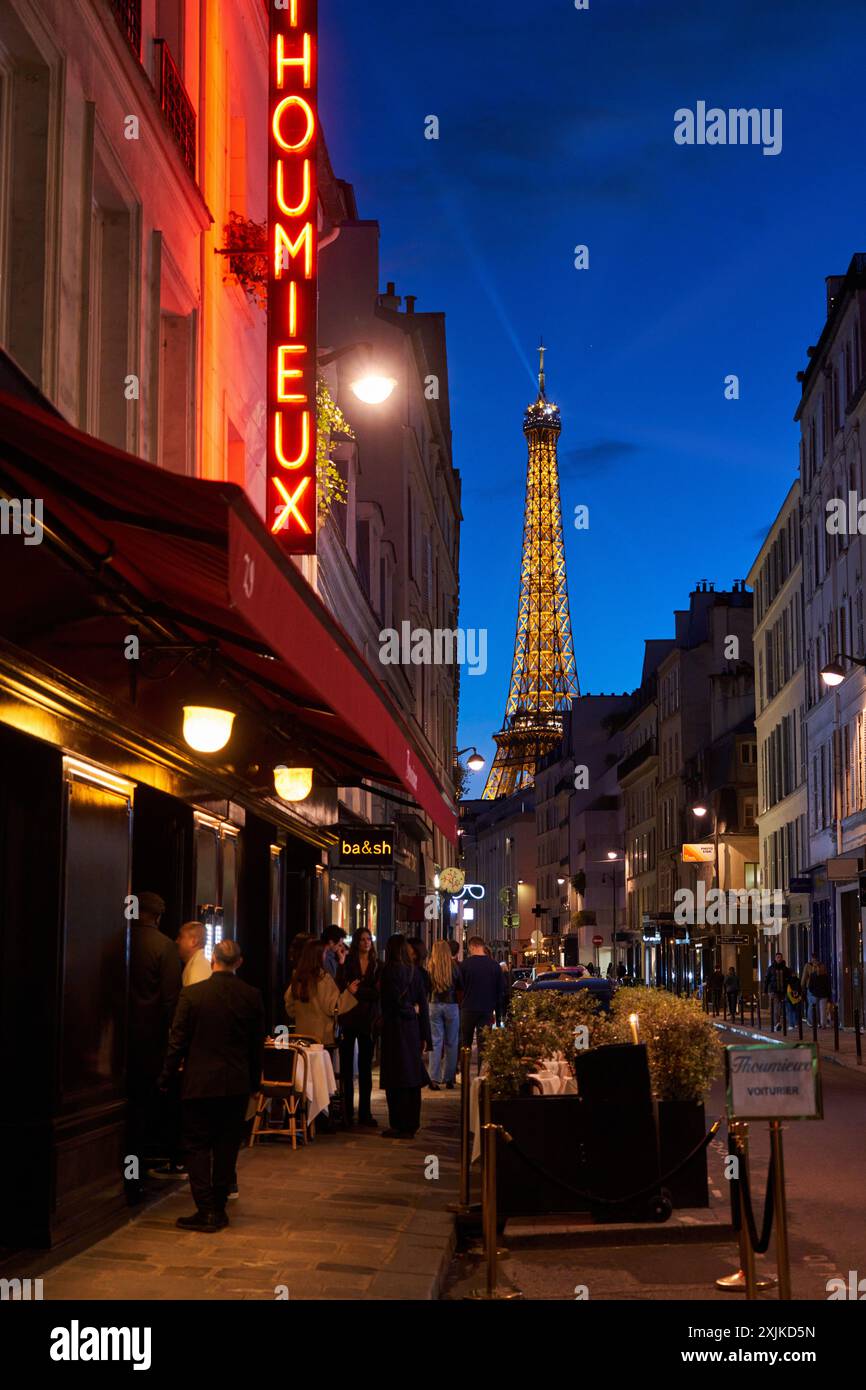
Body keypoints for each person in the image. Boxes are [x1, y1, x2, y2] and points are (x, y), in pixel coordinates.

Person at [159, 939, 265, 1232]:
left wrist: (166, 1078)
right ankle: (218, 1207)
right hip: (235, 1083)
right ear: (239, 963)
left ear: (213, 958)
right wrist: (256, 1082)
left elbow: (177, 1042)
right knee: (227, 1145)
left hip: (199, 1082)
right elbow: (256, 1045)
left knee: (196, 1145)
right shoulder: (251, 996)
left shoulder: (193, 995)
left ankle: (205, 1209)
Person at [128, 891, 183, 1184]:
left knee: (127, 1107)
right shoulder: (165, 947)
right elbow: (170, 1000)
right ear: (158, 917)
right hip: (150, 1041)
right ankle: (137, 1176)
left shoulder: (118, 940)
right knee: (144, 1106)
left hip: (114, 1041)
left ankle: (128, 1173)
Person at [379, 935, 431, 1139]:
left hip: (394, 1029)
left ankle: (398, 1123)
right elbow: (422, 1004)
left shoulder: (389, 972)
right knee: (411, 1076)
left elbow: (390, 1002)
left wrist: (409, 1010)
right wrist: (424, 1032)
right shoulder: (415, 972)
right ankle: (412, 1122)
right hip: (412, 1030)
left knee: (395, 1078)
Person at [337, 927, 380, 1128]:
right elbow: (340, 986)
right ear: (356, 942)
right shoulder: (349, 962)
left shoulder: (376, 964)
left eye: (368, 939)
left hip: (367, 1019)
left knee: (365, 1068)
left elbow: (376, 992)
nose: (366, 942)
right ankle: (346, 1113)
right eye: (362, 939)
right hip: (349, 1017)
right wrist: (355, 991)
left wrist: (356, 991)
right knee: (346, 1067)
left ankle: (365, 1112)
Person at [287, 938, 359, 1045]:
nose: (326, 956)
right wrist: (349, 993)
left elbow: (290, 1008)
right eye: (325, 952)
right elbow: (333, 1007)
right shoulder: (323, 978)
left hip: (301, 1035)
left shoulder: (298, 978)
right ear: (318, 955)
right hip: (321, 1037)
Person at [458, 936, 507, 1072]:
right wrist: (498, 1017)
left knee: (465, 1043)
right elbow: (500, 991)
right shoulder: (494, 966)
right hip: (486, 1009)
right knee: (483, 1045)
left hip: (468, 1008)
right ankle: (482, 1074)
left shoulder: (465, 965)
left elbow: (459, 987)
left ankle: (464, 1073)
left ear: (472, 947)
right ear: (483, 946)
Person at [427, 939, 460, 1090]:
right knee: (451, 1042)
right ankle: (449, 1078)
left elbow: (426, 987)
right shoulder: (453, 966)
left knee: (435, 1042)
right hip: (451, 1005)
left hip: (434, 1004)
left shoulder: (430, 967)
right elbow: (460, 985)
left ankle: (434, 1078)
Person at [177, 922, 211, 987]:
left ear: (193, 941)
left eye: (181, 937)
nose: (177, 941)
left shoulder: (198, 972)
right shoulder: (198, 964)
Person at [765, 953, 789, 1032]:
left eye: (780, 957)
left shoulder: (785, 968)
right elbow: (767, 980)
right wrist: (765, 991)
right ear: (775, 958)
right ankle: (777, 1024)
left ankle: (778, 1022)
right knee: (776, 1008)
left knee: (781, 1008)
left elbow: (789, 980)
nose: (779, 959)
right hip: (774, 991)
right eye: (778, 957)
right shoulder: (771, 968)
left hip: (783, 991)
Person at [806, 959, 831, 1028]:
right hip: (820, 995)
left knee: (819, 1010)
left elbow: (810, 986)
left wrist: (813, 992)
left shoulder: (818, 975)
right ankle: (820, 1023)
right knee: (819, 1010)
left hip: (819, 995)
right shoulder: (821, 976)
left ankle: (820, 1023)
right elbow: (828, 986)